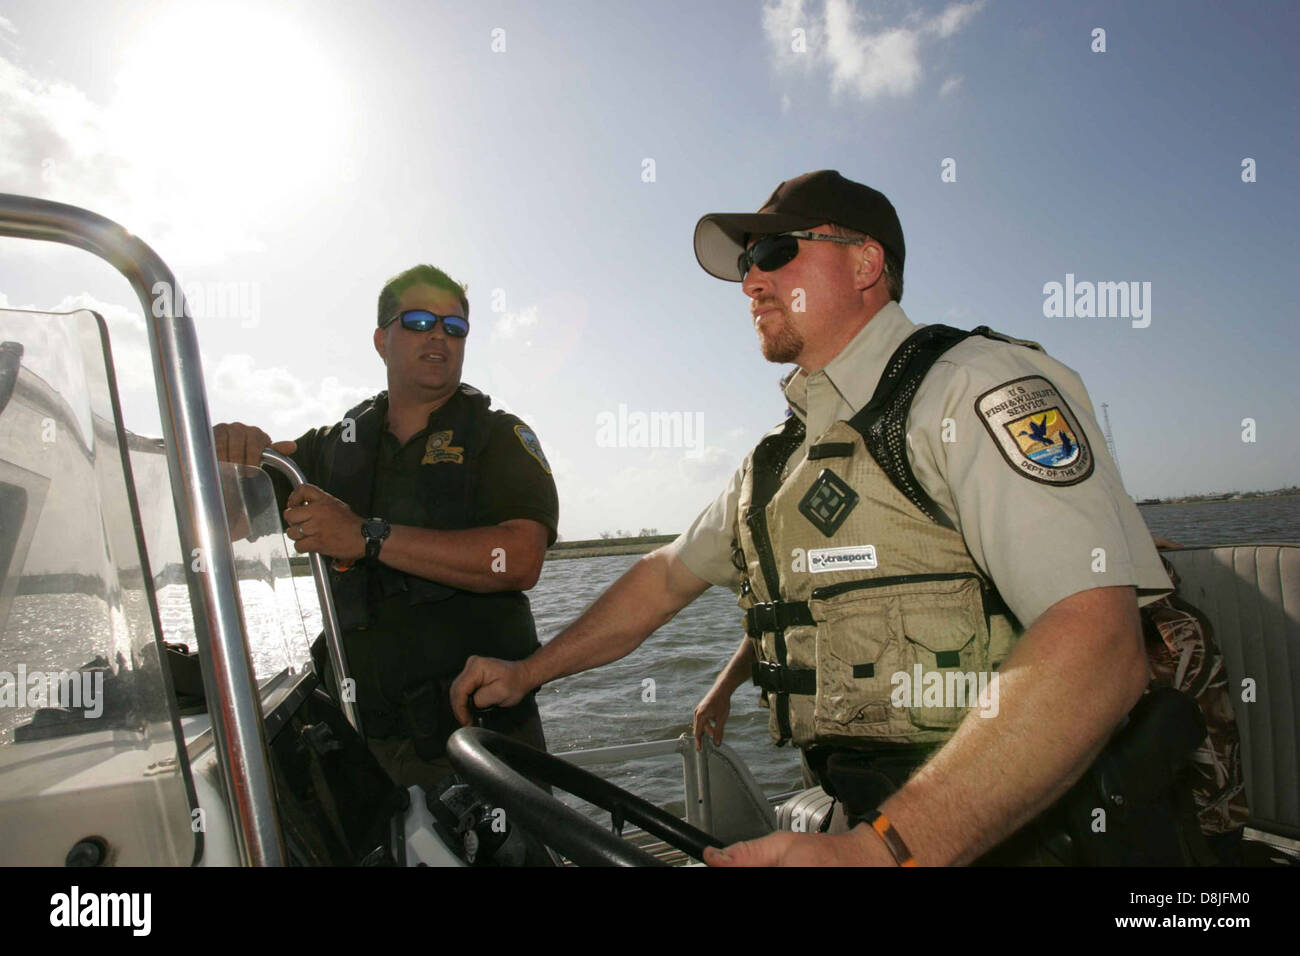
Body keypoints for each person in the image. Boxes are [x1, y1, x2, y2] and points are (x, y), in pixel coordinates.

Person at [450, 170, 1174, 866]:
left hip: (1016, 830)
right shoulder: (776, 463)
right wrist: (529, 672)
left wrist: (885, 850)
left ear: (866, 263)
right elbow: (666, 577)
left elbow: (1099, 646)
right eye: (744, 263)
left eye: (772, 251)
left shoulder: (972, 388)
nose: (750, 280)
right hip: (866, 815)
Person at [214, 264, 558, 792]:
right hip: (356, 741)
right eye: (419, 321)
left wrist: (368, 536)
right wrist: (230, 462)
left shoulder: (501, 436)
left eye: (454, 326)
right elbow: (227, 521)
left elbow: (520, 559)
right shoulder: (328, 449)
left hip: (478, 744)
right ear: (381, 340)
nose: (439, 335)